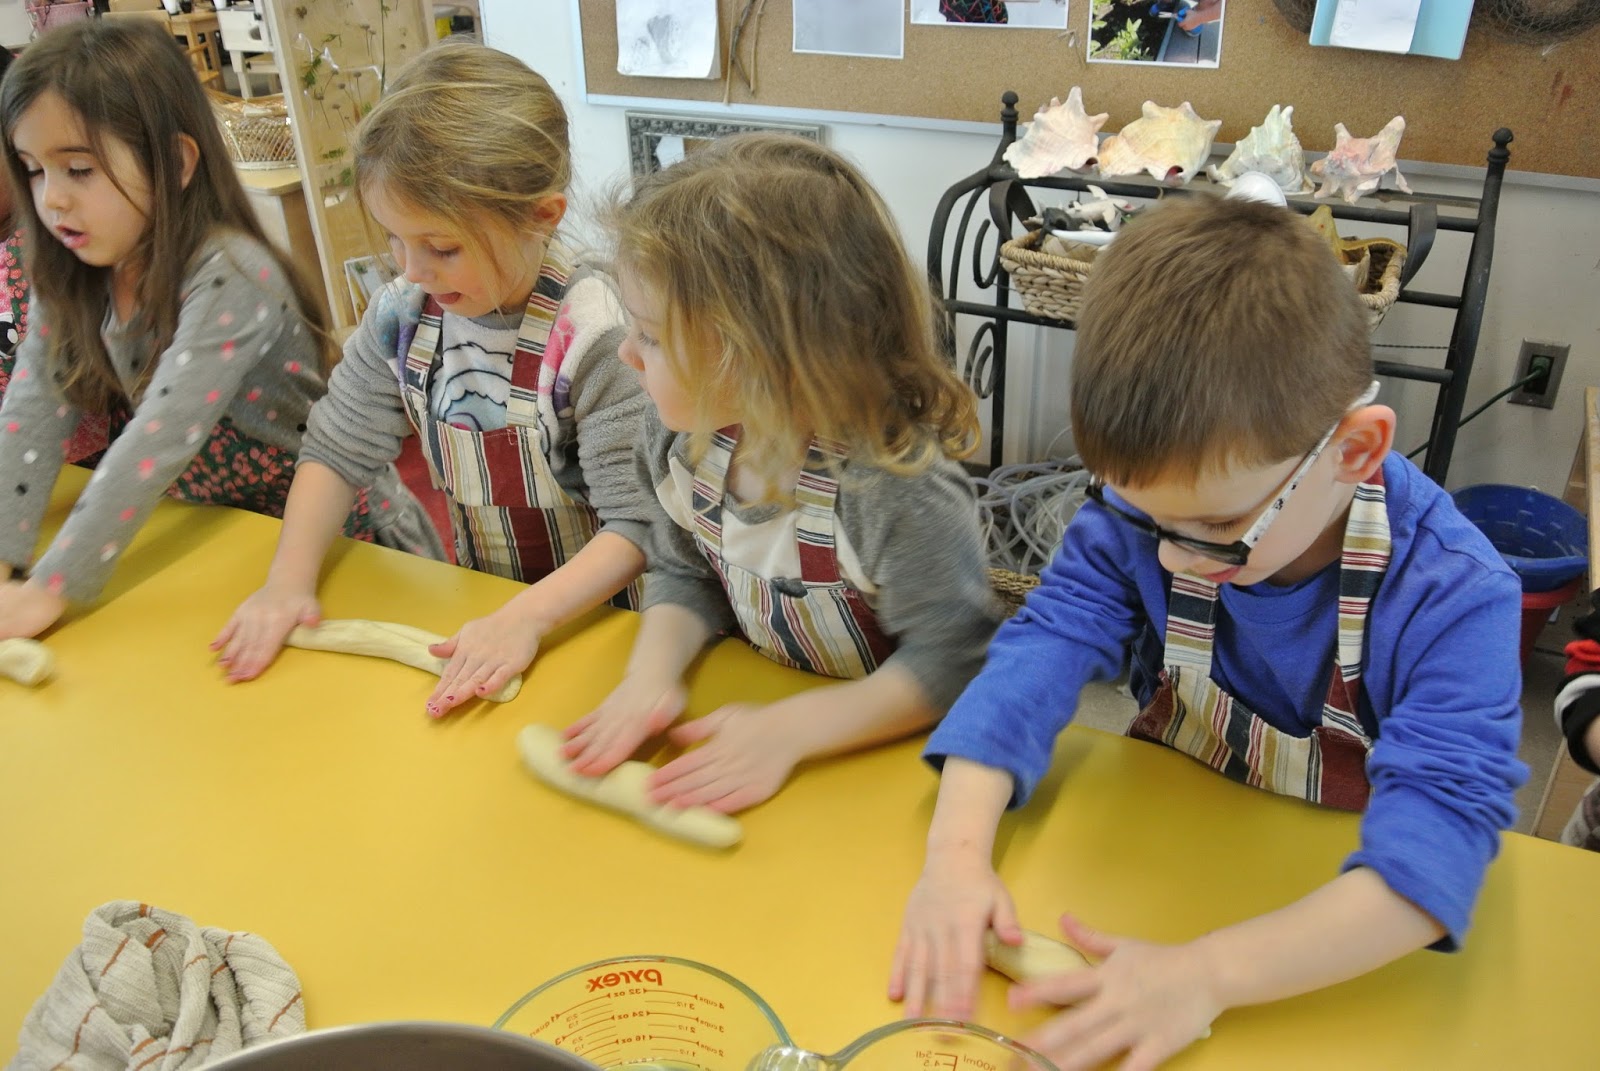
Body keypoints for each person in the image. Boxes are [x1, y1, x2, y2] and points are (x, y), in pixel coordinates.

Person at [889, 196, 1528, 1070]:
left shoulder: (1455, 597)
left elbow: (1437, 852)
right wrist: (956, 856)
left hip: (1329, 926)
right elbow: (1040, 651)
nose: (1174, 557)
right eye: (1144, 516)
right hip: (1173, 854)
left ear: (1354, 451)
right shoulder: (1148, 517)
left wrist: (1209, 973)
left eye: (1217, 529)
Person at [561, 133, 1004, 814]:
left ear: (759, 354)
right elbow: (687, 570)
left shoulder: (897, 491)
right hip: (751, 725)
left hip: (885, 769)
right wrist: (650, 678)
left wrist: (791, 732)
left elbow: (956, 660)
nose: (626, 353)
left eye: (650, 335)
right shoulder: (678, 443)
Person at [213, 41, 652, 717]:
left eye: (441, 247)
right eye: (395, 239)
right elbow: (336, 448)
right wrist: (287, 581)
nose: (412, 269)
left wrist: (529, 618)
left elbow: (638, 524)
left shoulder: (594, 333)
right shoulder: (405, 315)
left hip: (605, 626)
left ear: (542, 214)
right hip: (482, 610)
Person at [0, 19, 435, 642]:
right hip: (223, 539)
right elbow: (32, 409)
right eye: (34, 170)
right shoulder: (77, 269)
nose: (53, 201)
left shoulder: (232, 272)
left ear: (174, 161)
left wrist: (50, 588)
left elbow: (158, 438)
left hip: (335, 543)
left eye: (79, 170)